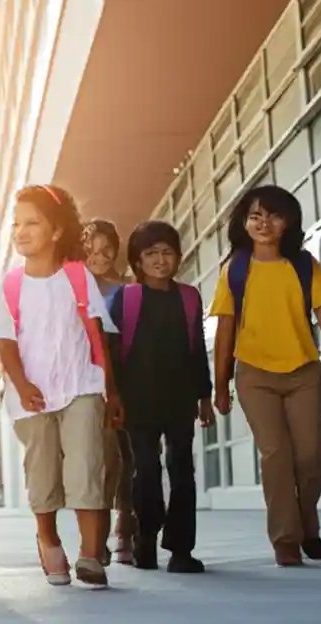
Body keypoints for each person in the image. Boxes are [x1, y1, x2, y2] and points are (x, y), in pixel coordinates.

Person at [0, 185, 123, 589]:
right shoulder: (12, 284)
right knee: (43, 473)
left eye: (32, 223)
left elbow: (97, 335)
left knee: (86, 465)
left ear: (57, 230)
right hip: (32, 395)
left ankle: (89, 554)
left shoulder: (78, 277)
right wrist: (23, 382)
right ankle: (47, 538)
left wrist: (111, 391)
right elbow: (4, 341)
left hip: (81, 383)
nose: (21, 231)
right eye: (17, 224)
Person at [211, 185, 321, 567]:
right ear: (244, 223)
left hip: (302, 369)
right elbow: (225, 330)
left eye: (274, 215)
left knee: (310, 456)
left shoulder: (303, 265)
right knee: (275, 454)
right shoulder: (235, 269)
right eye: (255, 215)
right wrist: (221, 385)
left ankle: (308, 525)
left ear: (288, 223)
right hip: (254, 374)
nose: (264, 223)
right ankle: (286, 539)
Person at [109, 221, 211, 573]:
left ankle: (181, 549)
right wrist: (114, 397)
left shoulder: (188, 297)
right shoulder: (126, 298)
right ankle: (145, 540)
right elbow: (111, 352)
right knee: (145, 471)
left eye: (167, 252)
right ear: (137, 261)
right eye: (150, 254)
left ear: (178, 257)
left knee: (183, 470)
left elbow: (197, 349)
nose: (160, 260)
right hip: (138, 400)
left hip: (180, 398)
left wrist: (205, 397)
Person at [83, 217, 136, 565]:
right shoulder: (78, 287)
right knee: (104, 459)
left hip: (131, 369)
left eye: (106, 250)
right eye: (90, 250)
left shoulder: (131, 287)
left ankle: (125, 531)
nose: (98, 257)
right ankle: (97, 537)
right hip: (95, 372)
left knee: (130, 457)